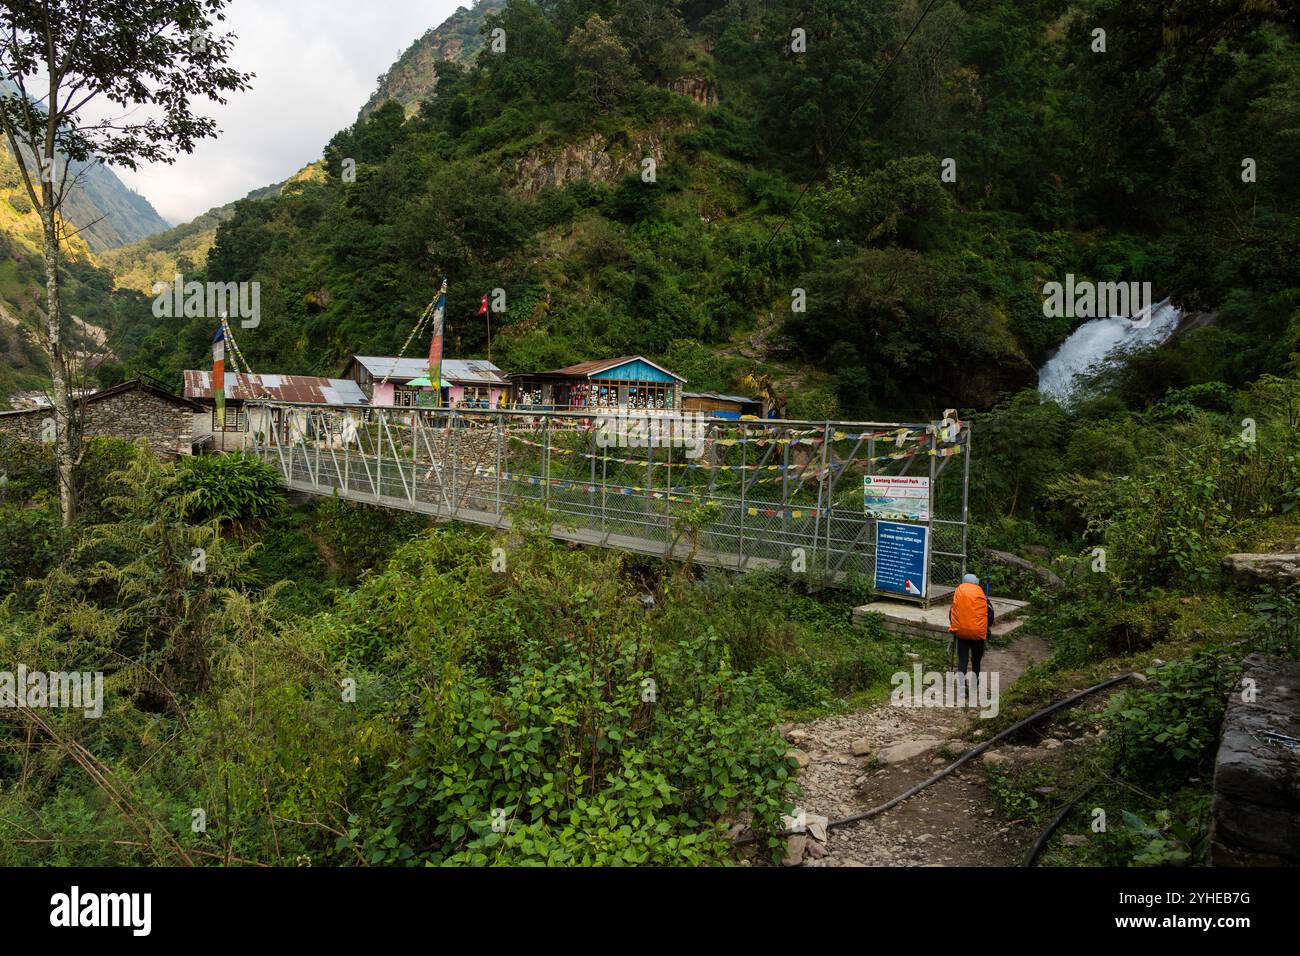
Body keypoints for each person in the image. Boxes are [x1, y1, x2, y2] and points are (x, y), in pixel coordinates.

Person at [949, 573, 995, 680]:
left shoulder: (958, 594)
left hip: (961, 633)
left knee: (962, 661)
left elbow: (951, 613)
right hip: (978, 635)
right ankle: (975, 683)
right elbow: (990, 617)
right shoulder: (982, 596)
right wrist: (985, 625)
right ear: (976, 583)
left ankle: (962, 688)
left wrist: (956, 626)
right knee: (976, 661)